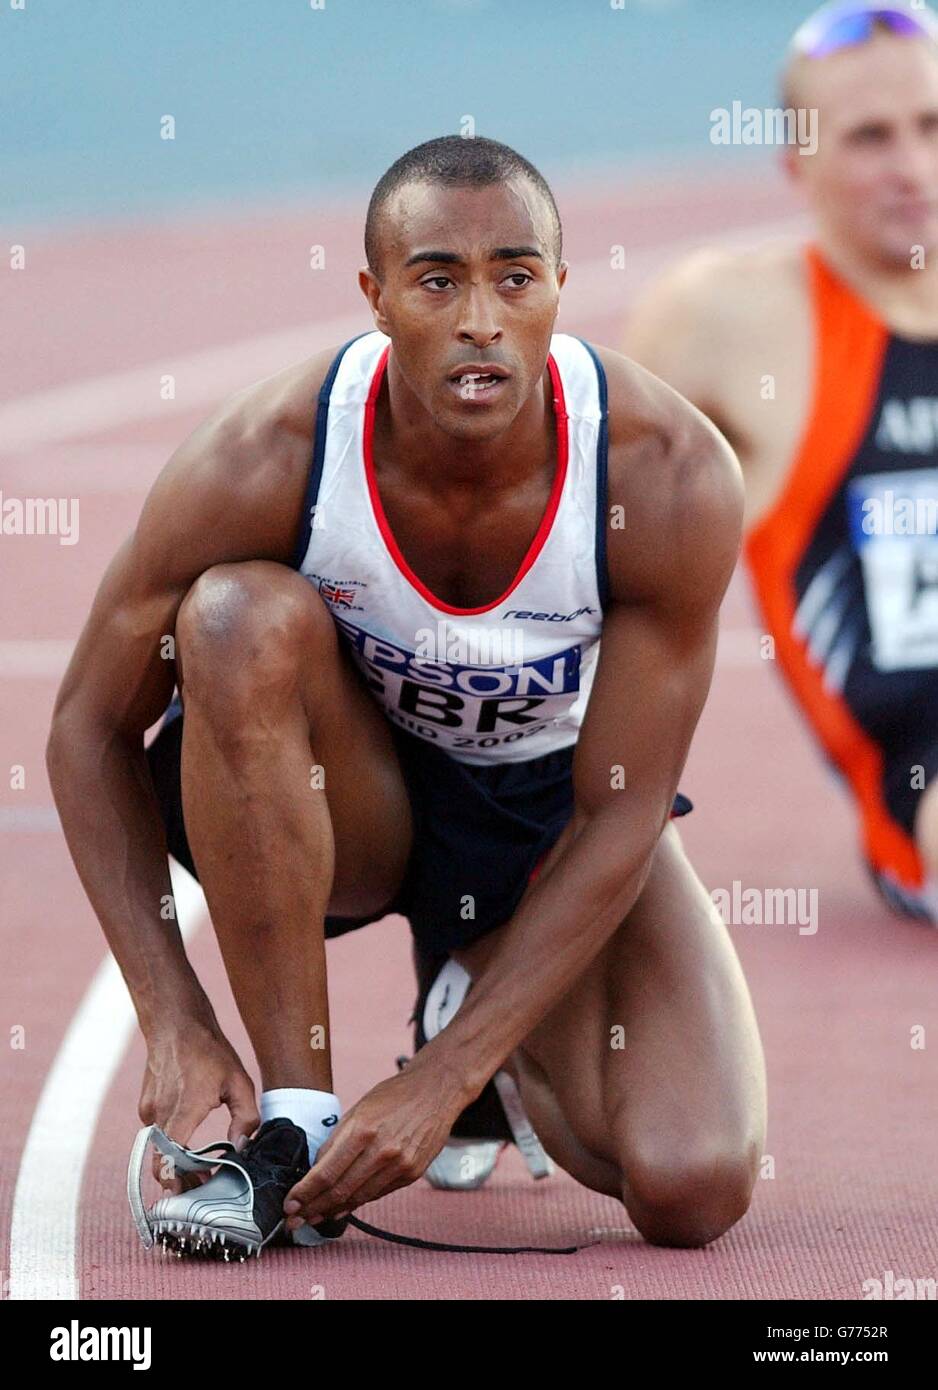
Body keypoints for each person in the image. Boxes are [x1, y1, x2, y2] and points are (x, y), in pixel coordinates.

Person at [47, 135, 764, 1256]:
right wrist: (172, 1014)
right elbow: (87, 730)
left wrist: (445, 1074)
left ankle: (473, 999)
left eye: (513, 278)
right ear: (376, 298)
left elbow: (623, 805)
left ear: (558, 292)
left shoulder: (664, 474)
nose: (480, 317)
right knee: (234, 614)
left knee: (694, 1185)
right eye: (438, 280)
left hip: (551, 825)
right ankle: (297, 1122)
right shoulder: (263, 456)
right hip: (352, 803)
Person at [624, 1, 938, 922]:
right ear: (796, 162)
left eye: (931, 126)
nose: (912, 169)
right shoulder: (730, 322)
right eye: (870, 138)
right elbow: (557, 502)